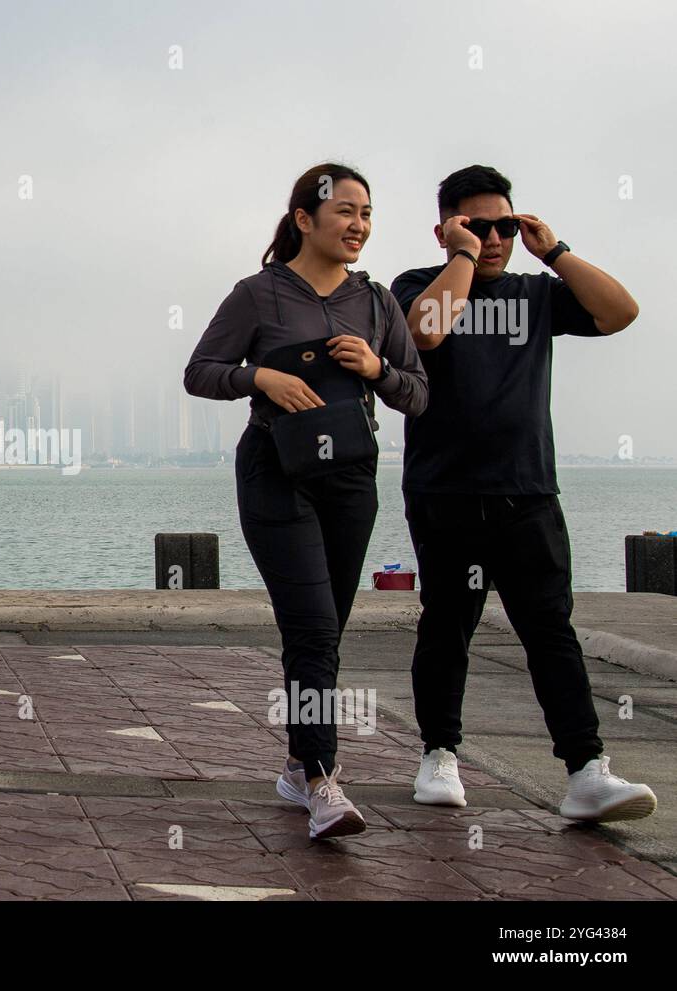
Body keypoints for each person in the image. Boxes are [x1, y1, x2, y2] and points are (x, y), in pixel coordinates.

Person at [390, 164, 657, 822]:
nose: (495, 238)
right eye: (478, 225)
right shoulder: (416, 285)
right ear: (447, 227)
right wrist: (461, 255)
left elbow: (620, 311)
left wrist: (555, 251)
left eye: (504, 225)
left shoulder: (538, 294)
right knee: (448, 625)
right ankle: (439, 754)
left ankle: (586, 771)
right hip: (445, 491)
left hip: (528, 491)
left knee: (550, 631)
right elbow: (426, 331)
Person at [185, 163, 427, 840]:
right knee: (315, 626)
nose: (359, 225)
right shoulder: (258, 296)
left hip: (350, 476)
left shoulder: (376, 302)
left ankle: (297, 763)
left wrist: (376, 368)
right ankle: (323, 780)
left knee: (322, 631)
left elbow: (419, 390)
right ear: (304, 218)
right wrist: (260, 374)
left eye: (368, 214)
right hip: (274, 468)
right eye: (346, 211)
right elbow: (199, 372)